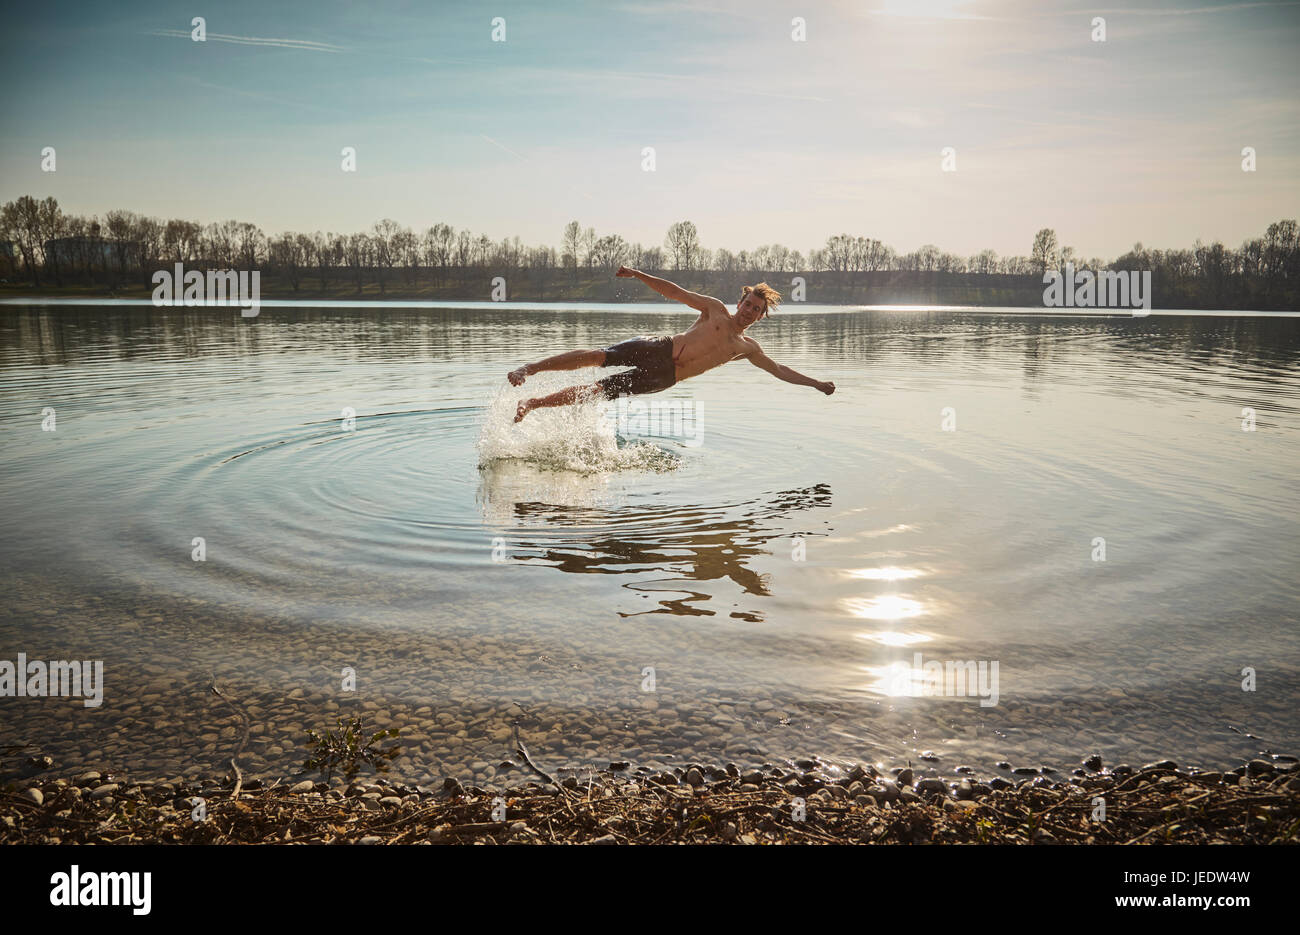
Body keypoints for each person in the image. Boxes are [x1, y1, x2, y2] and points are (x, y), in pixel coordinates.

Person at [510, 266, 835, 422]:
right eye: (748, 304)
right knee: (600, 356)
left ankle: (534, 403)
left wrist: (817, 384)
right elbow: (675, 292)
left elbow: (779, 370)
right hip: (660, 348)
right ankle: (530, 368)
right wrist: (638, 275)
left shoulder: (747, 348)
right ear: (740, 303)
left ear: (761, 316)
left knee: (597, 392)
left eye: (757, 310)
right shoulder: (714, 310)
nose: (750, 311)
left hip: (664, 378)